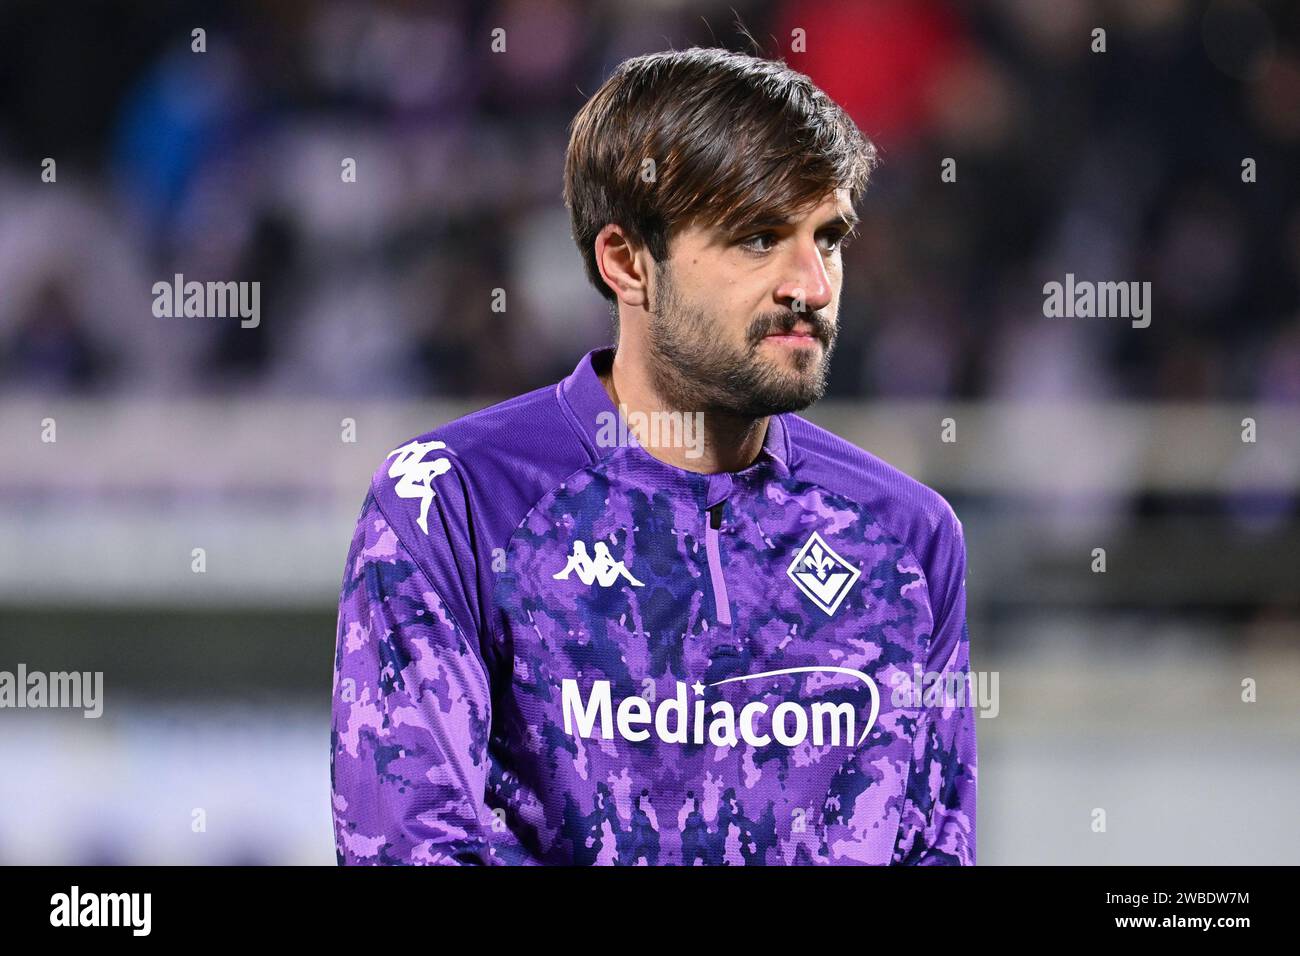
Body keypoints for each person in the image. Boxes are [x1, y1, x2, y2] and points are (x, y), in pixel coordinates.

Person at [330, 46, 975, 865]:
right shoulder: (455, 505)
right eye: (759, 237)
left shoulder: (908, 537)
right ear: (627, 261)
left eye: (829, 238)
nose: (811, 286)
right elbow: (408, 847)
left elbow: (934, 847)